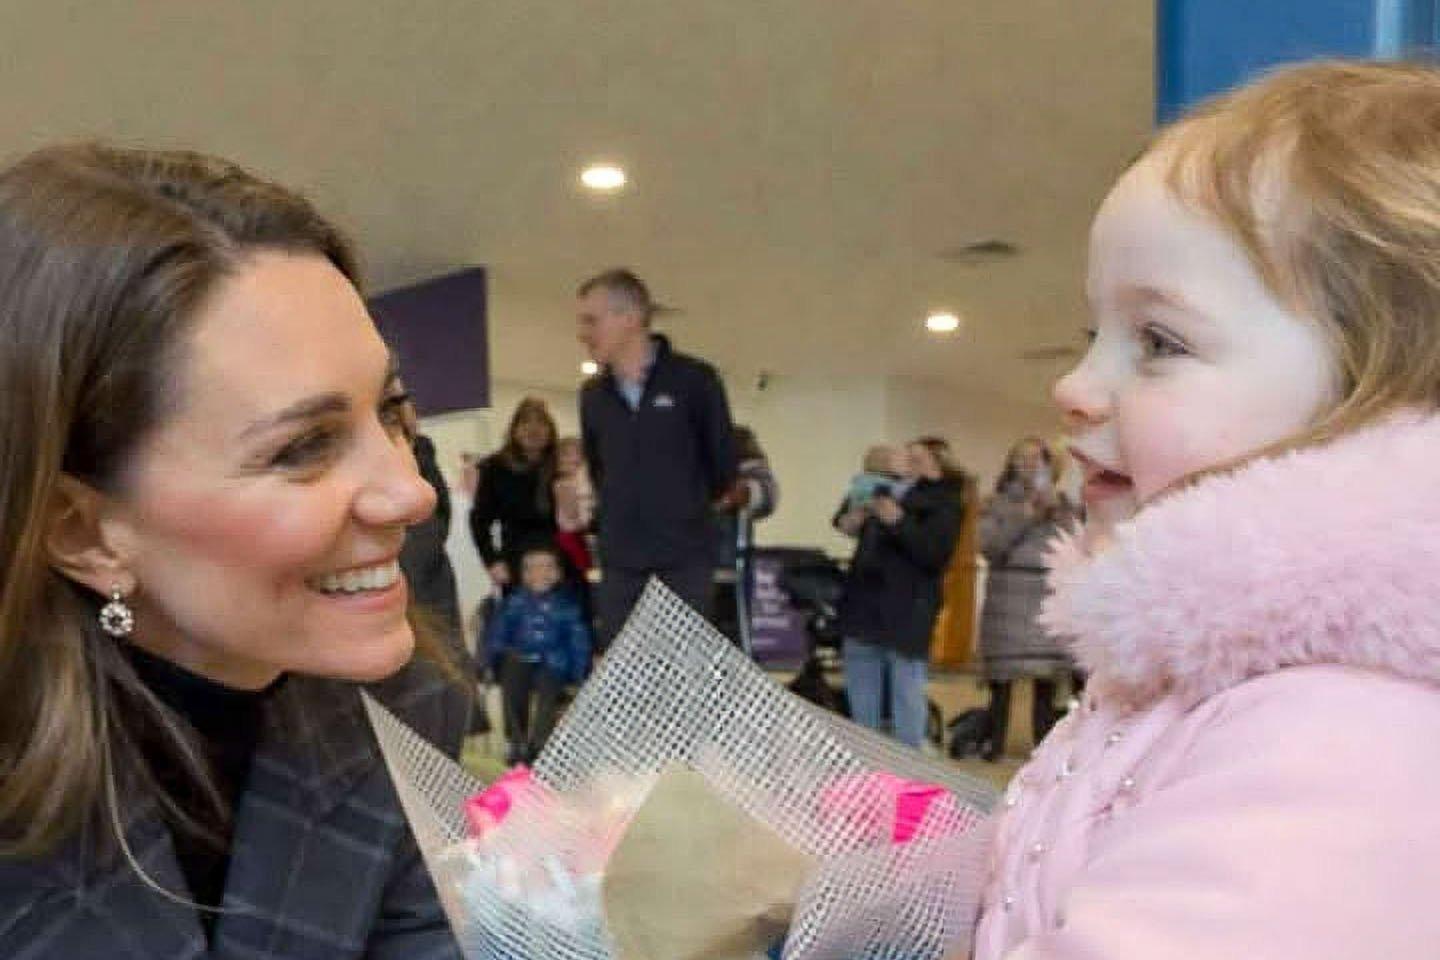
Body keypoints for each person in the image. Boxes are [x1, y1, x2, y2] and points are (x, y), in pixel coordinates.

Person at [968, 62, 1440, 960]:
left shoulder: (1349, 731)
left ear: (1374, 401)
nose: (1072, 385)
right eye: (1091, 334)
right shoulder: (1189, 673)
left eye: (1159, 341)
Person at [0, 143, 467, 958]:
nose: (411, 492)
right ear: (81, 531)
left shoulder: (403, 711)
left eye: (391, 410)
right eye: (303, 448)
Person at [576, 268, 739, 647]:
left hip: (683, 561)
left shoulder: (695, 381)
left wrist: (681, 508)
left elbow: (722, 467)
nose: (583, 333)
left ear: (630, 318)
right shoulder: (593, 397)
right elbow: (601, 470)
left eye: (591, 320)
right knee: (625, 680)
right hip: (620, 564)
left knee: (684, 679)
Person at [834, 437, 964, 748]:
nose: (910, 461)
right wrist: (853, 520)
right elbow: (843, 521)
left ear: (938, 466)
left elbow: (933, 554)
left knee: (906, 689)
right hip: (864, 601)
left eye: (919, 458)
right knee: (861, 683)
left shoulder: (945, 503)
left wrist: (898, 522)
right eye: (907, 456)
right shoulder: (879, 489)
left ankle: (909, 760)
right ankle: (865, 754)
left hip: (908, 607)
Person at [976, 436, 1079, 760]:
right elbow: (989, 545)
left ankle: (1044, 753)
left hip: (1046, 595)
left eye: (1037, 459)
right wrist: (1027, 514)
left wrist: (1058, 512)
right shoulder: (996, 502)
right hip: (1007, 598)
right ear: (1010, 464)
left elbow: (1078, 543)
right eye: (1022, 458)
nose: (1029, 465)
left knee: (1046, 684)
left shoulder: (1064, 504)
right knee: (1002, 683)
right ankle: (995, 746)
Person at [484, 544, 593, 764]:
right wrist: (489, 661)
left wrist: (581, 671)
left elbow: (578, 639)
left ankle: (540, 744)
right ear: (523, 575)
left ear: (558, 573)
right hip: (519, 657)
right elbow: (498, 633)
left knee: (548, 696)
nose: (540, 573)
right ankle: (515, 740)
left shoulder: (567, 606)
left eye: (547, 567)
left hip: (553, 662)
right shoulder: (514, 603)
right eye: (532, 568)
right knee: (512, 683)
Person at [468, 397, 558, 592]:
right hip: (516, 563)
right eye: (525, 422)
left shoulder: (561, 465)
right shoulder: (495, 466)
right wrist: (492, 562)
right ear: (514, 429)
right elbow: (479, 520)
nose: (533, 429)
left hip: (560, 562)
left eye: (541, 422)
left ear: (550, 430)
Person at [552, 435, 596, 577]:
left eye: (578, 455)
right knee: (584, 572)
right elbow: (572, 511)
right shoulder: (561, 484)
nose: (573, 459)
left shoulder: (585, 481)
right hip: (570, 534)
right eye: (566, 456)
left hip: (585, 532)